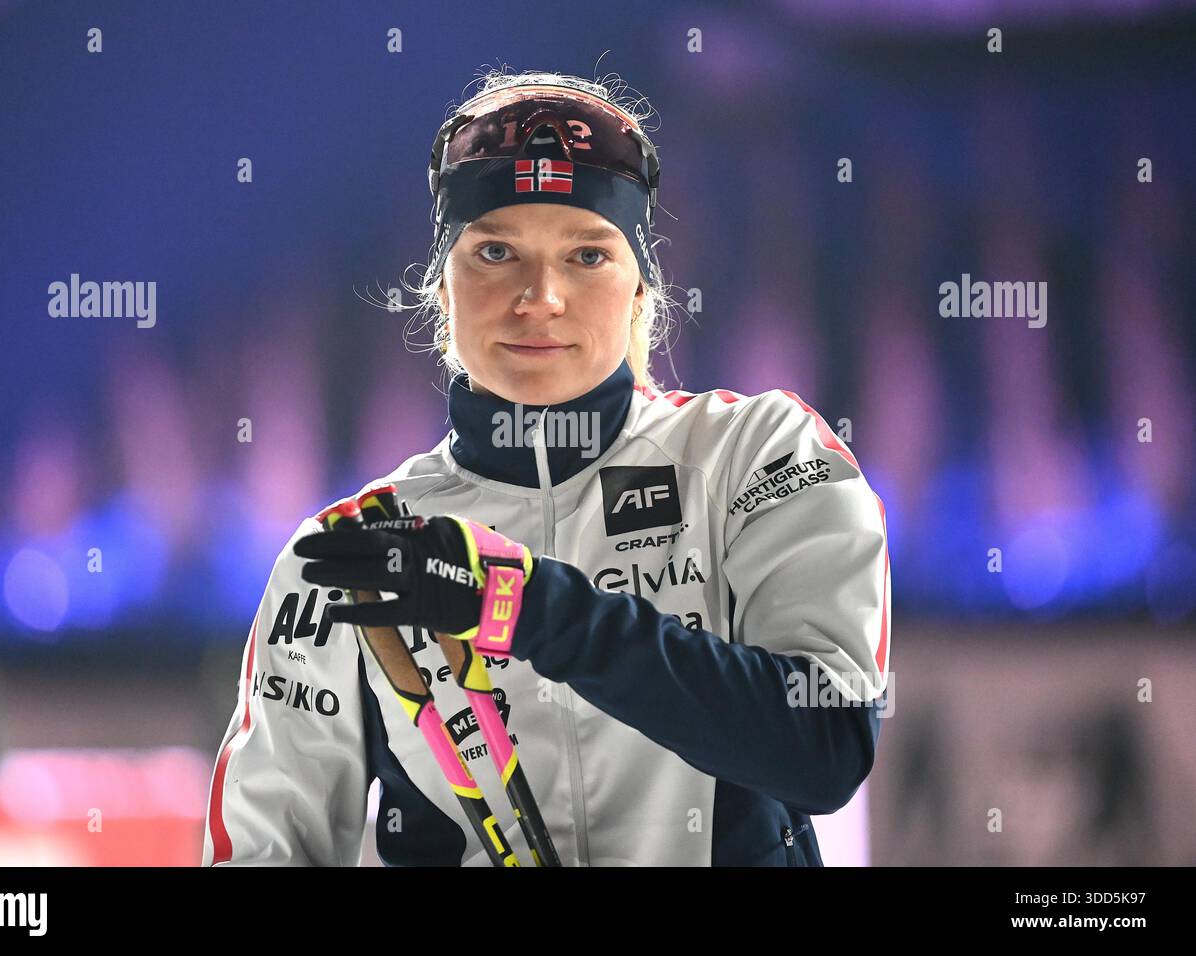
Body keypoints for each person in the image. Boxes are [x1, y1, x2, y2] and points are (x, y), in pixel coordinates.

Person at [203, 69, 891, 867]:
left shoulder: (759, 454)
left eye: (588, 254)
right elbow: (260, 850)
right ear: (441, 286)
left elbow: (827, 744)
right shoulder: (351, 551)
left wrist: (518, 603)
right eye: (495, 251)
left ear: (640, 286)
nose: (540, 296)